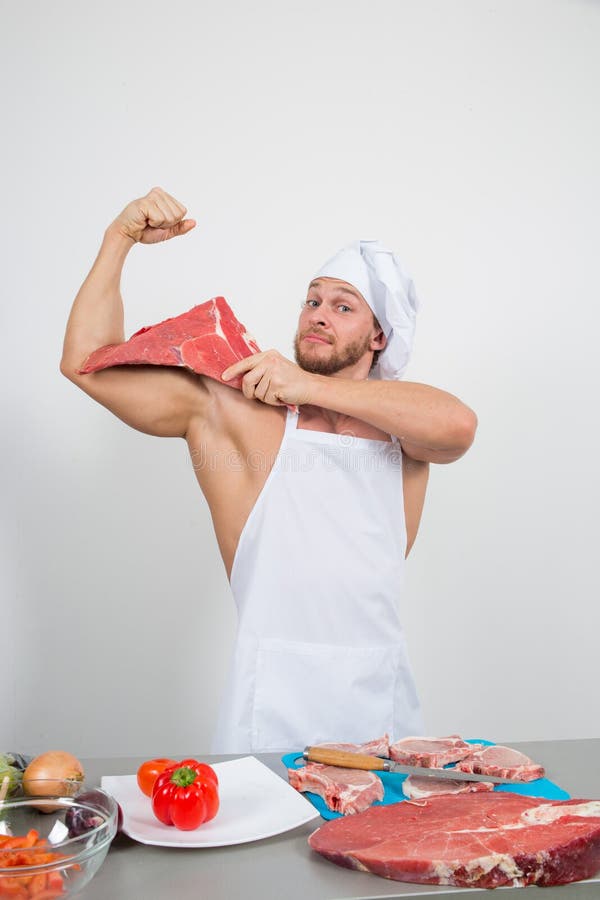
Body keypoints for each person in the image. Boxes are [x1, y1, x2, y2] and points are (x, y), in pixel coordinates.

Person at [60, 186, 478, 753]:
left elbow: (458, 426)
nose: (318, 316)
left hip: (384, 712)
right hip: (268, 713)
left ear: (379, 337)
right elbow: (86, 363)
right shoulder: (236, 414)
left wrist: (304, 384)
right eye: (312, 301)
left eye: (343, 305)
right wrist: (119, 241)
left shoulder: (404, 432)